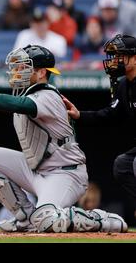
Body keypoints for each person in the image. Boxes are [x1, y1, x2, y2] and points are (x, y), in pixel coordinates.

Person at [0, 44, 128, 233]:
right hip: (36, 170)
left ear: (42, 72)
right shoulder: (27, 93)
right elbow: (15, 103)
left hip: (65, 173)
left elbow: (21, 105)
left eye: (24, 67)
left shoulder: (48, 94)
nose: (18, 71)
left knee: (47, 220)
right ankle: (25, 218)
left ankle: (103, 220)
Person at [63, 34, 136, 205]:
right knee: (122, 165)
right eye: (115, 56)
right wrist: (79, 114)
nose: (115, 61)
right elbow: (109, 114)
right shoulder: (125, 85)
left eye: (121, 56)